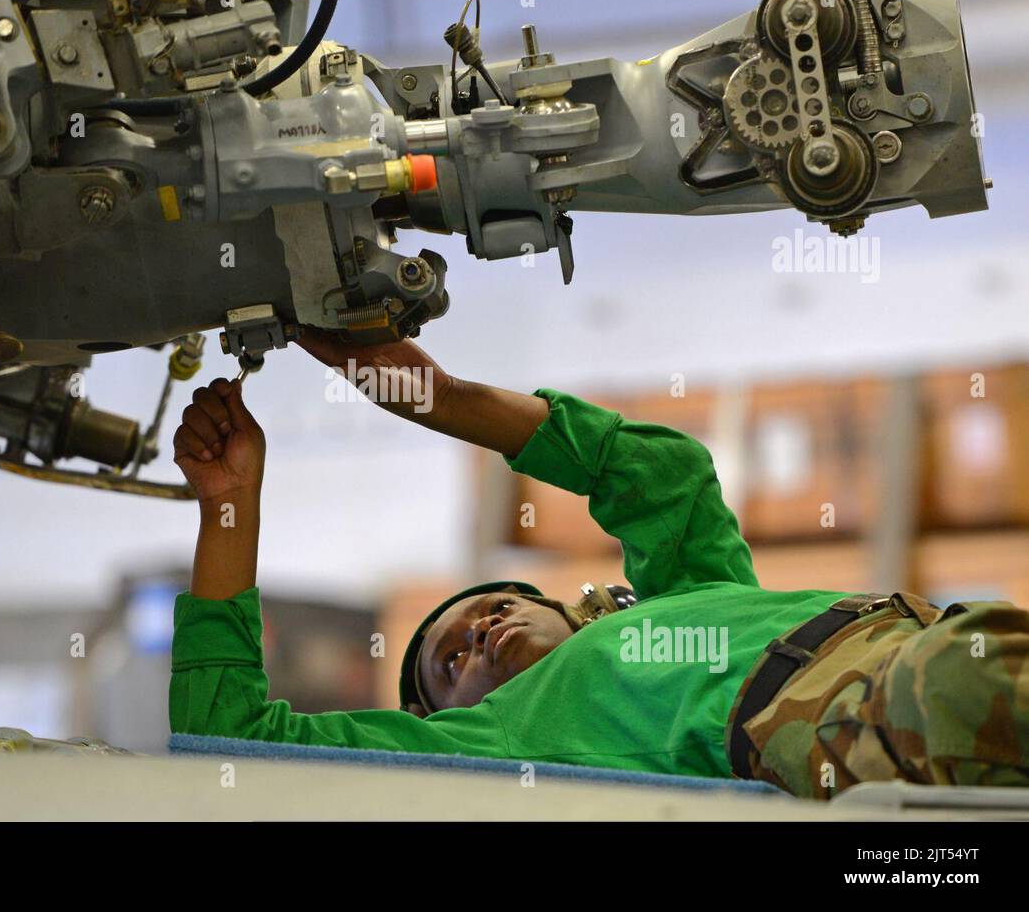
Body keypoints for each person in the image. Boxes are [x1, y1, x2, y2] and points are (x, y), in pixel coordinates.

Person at [169, 329, 1029, 798]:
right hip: (861, 711)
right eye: (451, 664)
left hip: (918, 640)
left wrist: (442, 400)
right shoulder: (500, 742)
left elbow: (663, 474)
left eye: (487, 611)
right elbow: (225, 736)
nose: (479, 636)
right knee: (963, 683)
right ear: (451, 718)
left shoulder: (690, 595)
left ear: (577, 607)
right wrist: (228, 506)